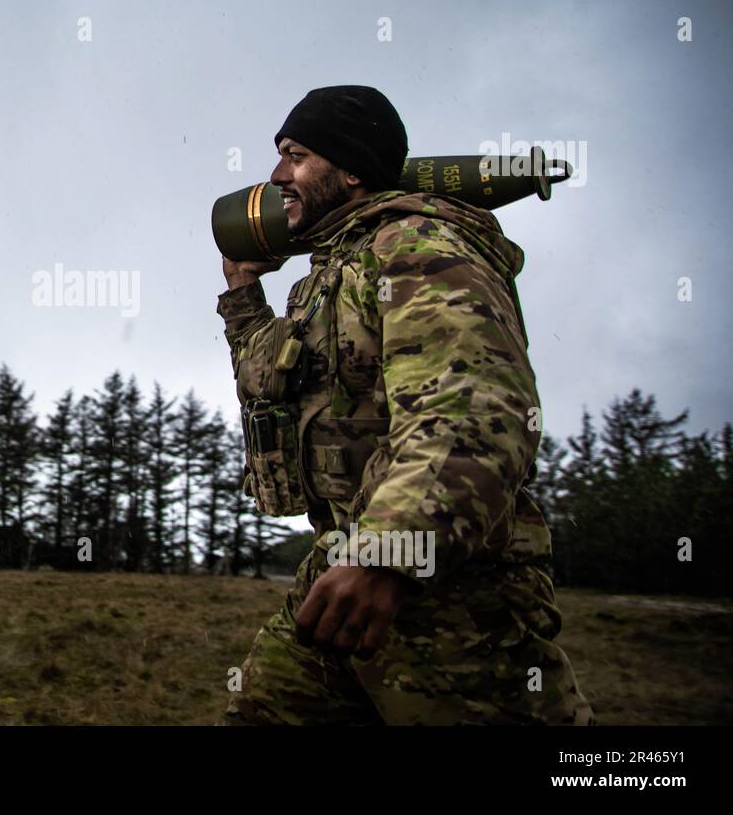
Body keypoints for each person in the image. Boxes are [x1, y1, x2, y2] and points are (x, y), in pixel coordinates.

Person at [218, 85, 593, 724]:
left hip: (446, 597)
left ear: (353, 168)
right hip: (342, 567)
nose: (277, 174)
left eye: (297, 155)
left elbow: (472, 410)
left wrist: (388, 554)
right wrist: (244, 290)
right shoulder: (337, 268)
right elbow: (271, 381)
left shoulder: (416, 249)